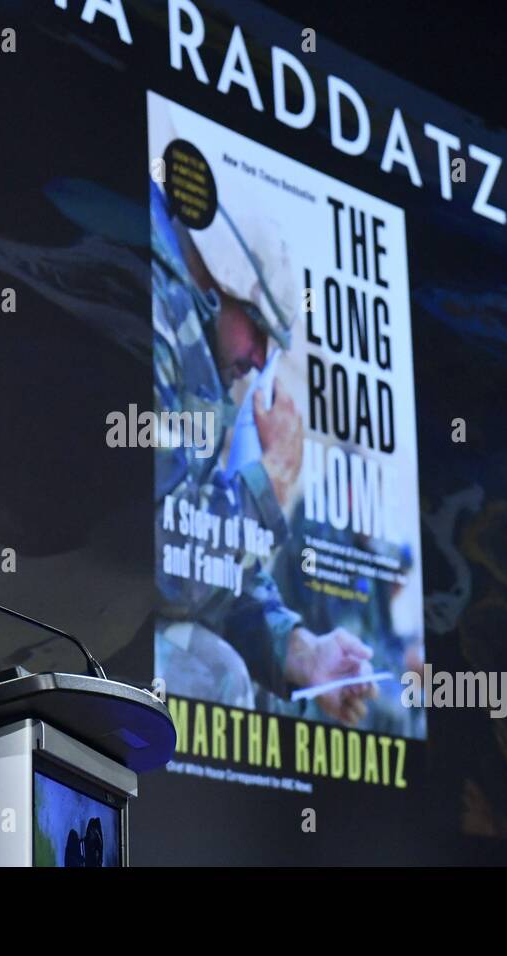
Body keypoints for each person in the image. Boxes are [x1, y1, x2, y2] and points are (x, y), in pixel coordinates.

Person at [152, 180, 378, 726]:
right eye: (260, 331)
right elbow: (165, 563)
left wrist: (299, 651)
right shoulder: (156, 317)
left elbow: (211, 574)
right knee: (215, 675)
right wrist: (269, 485)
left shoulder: (199, 350)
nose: (259, 359)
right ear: (225, 280)